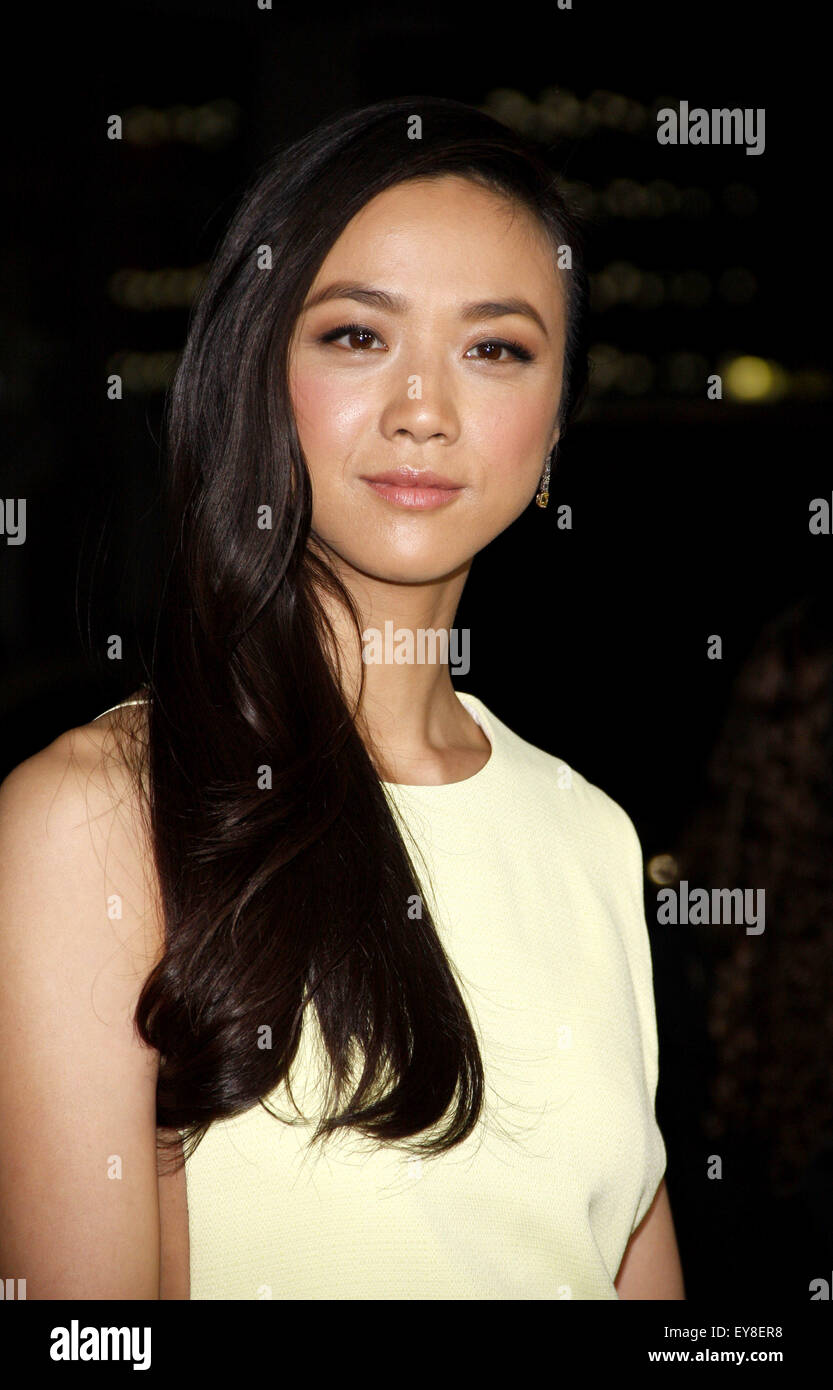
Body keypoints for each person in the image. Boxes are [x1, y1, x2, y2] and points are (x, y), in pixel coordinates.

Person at [0, 96, 684, 1299]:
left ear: (555, 425)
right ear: (255, 374)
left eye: (495, 348)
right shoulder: (93, 820)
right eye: (358, 337)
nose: (424, 407)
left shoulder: (591, 835)